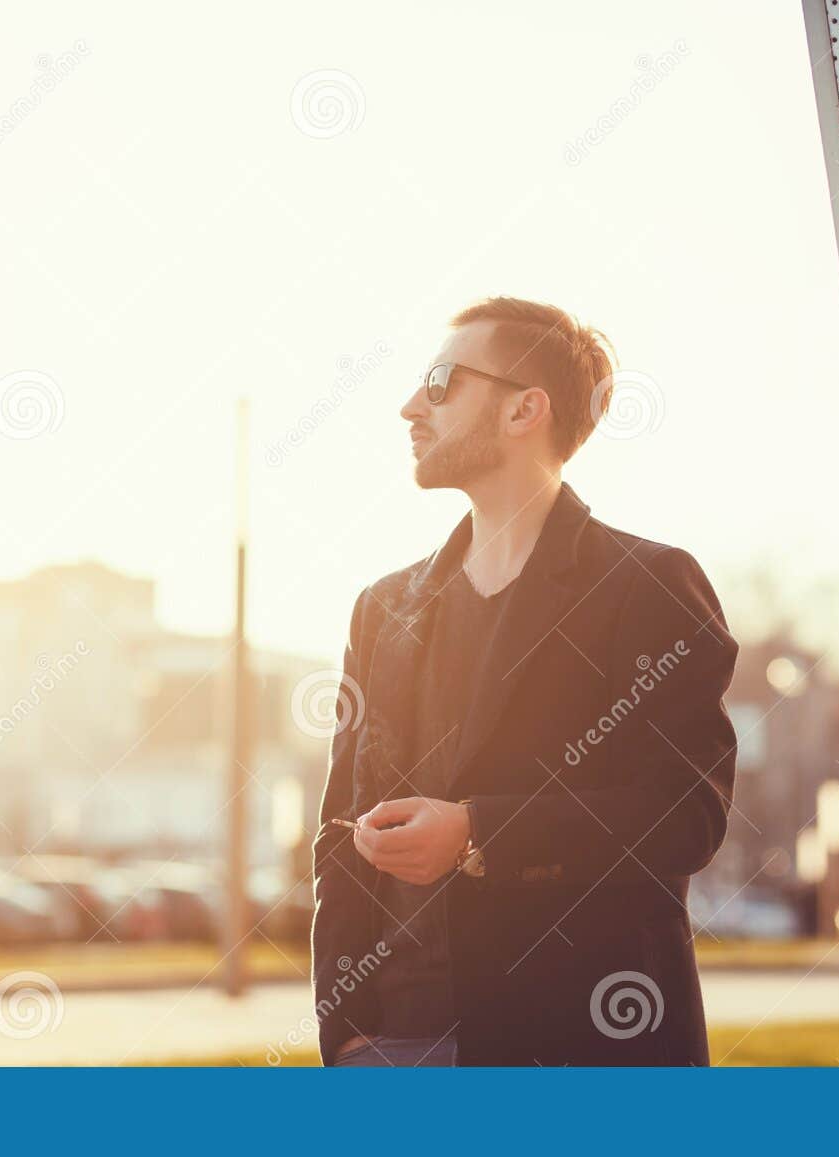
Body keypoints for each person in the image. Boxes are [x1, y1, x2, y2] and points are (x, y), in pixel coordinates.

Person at [310, 296, 739, 1066]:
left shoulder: (649, 585)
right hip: (392, 1048)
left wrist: (479, 831)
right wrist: (342, 1036)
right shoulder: (381, 608)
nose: (411, 406)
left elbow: (686, 815)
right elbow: (338, 834)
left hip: (582, 1049)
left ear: (524, 410)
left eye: (440, 382)